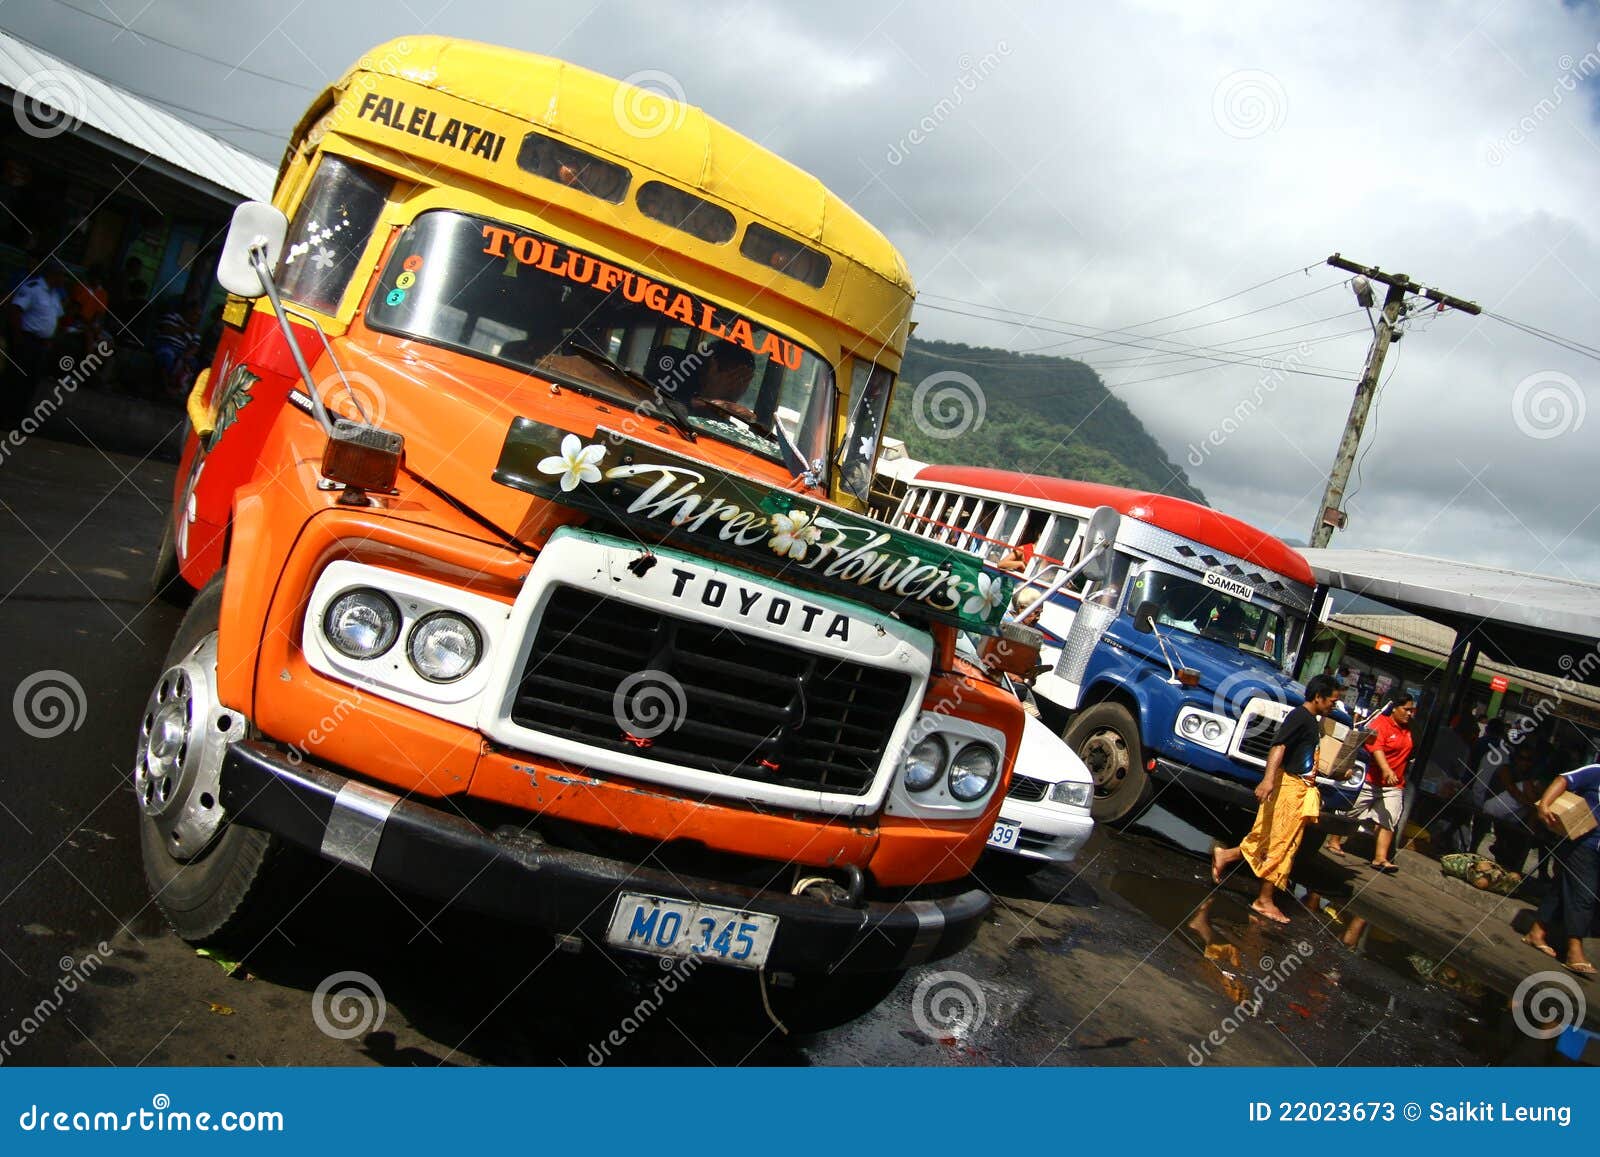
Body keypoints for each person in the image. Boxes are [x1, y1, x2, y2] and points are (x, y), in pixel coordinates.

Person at [1211, 674, 1345, 924]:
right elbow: (1278, 747)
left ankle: (1226, 856)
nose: (1333, 706)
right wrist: (1268, 780)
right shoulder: (1299, 717)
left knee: (1272, 840)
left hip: (1299, 790)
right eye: (1332, 701)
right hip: (1288, 789)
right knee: (1280, 846)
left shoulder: (1312, 721)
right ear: (1318, 697)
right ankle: (1264, 900)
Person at [1522, 761, 1600, 978]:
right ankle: (1574, 951)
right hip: (1583, 843)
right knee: (1584, 895)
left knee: (1561, 888)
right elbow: (1564, 779)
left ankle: (1536, 933)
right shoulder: (1596, 772)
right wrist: (1544, 806)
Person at [1324, 695, 1415, 871]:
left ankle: (1380, 858)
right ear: (1395, 708)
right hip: (1370, 780)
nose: (1409, 714)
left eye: (1412, 711)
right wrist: (1386, 769)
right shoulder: (1380, 723)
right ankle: (1334, 841)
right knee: (1351, 811)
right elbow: (1377, 749)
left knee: (1389, 818)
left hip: (1393, 785)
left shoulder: (1409, 729)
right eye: (1406, 709)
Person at [4, 265, 66, 427]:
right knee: (16, 380)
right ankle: (6, 416)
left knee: (31, 382)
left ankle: (17, 418)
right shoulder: (33, 288)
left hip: (41, 344)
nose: (64, 280)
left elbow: (56, 318)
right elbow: (15, 310)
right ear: (53, 275)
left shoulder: (55, 295)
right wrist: (18, 338)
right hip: (27, 340)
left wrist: (50, 339)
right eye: (62, 276)